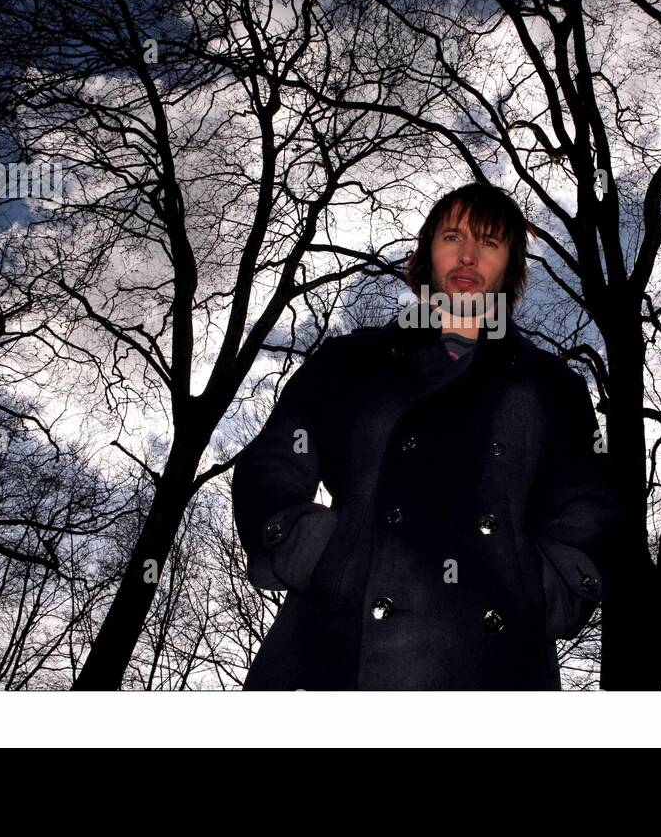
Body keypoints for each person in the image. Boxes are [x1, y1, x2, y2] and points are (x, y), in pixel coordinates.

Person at [230, 182, 620, 690]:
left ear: (510, 266)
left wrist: (544, 585)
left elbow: (591, 504)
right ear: (427, 252)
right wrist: (317, 549)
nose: (468, 255)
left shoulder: (550, 386)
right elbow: (275, 460)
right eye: (453, 236)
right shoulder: (351, 361)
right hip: (341, 646)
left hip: (495, 663)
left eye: (490, 242)